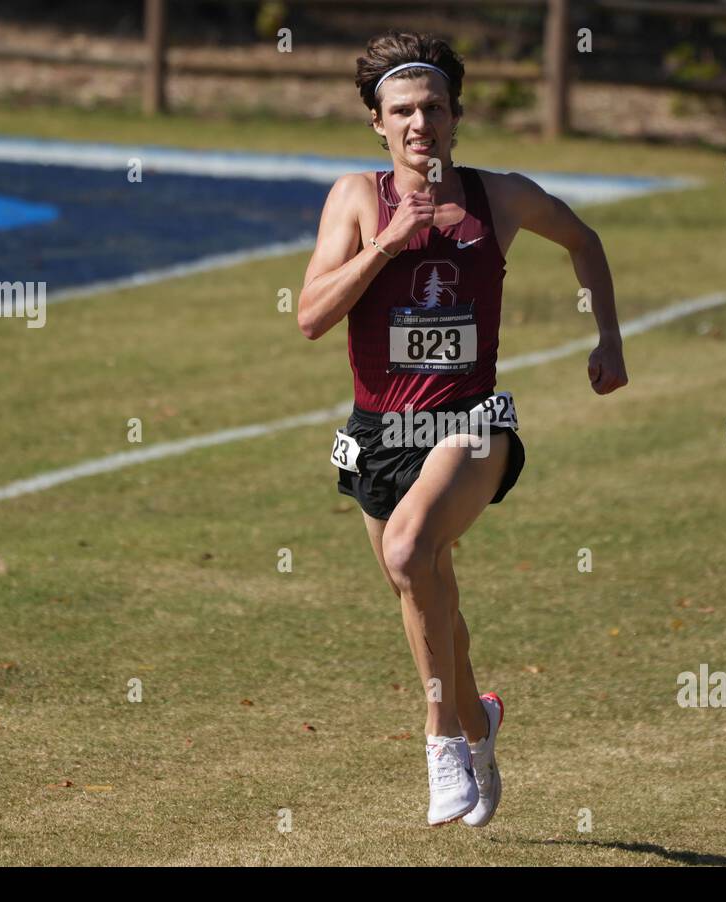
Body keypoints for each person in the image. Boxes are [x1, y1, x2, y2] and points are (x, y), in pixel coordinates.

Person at [297, 31, 628, 827]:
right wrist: (386, 244)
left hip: (472, 422)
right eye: (402, 110)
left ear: (455, 115)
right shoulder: (354, 197)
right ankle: (480, 720)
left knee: (413, 552)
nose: (420, 124)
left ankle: (441, 739)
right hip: (380, 432)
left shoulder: (500, 197)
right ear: (377, 123)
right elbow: (311, 315)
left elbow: (584, 241)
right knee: (430, 595)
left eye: (433, 107)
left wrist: (608, 337)